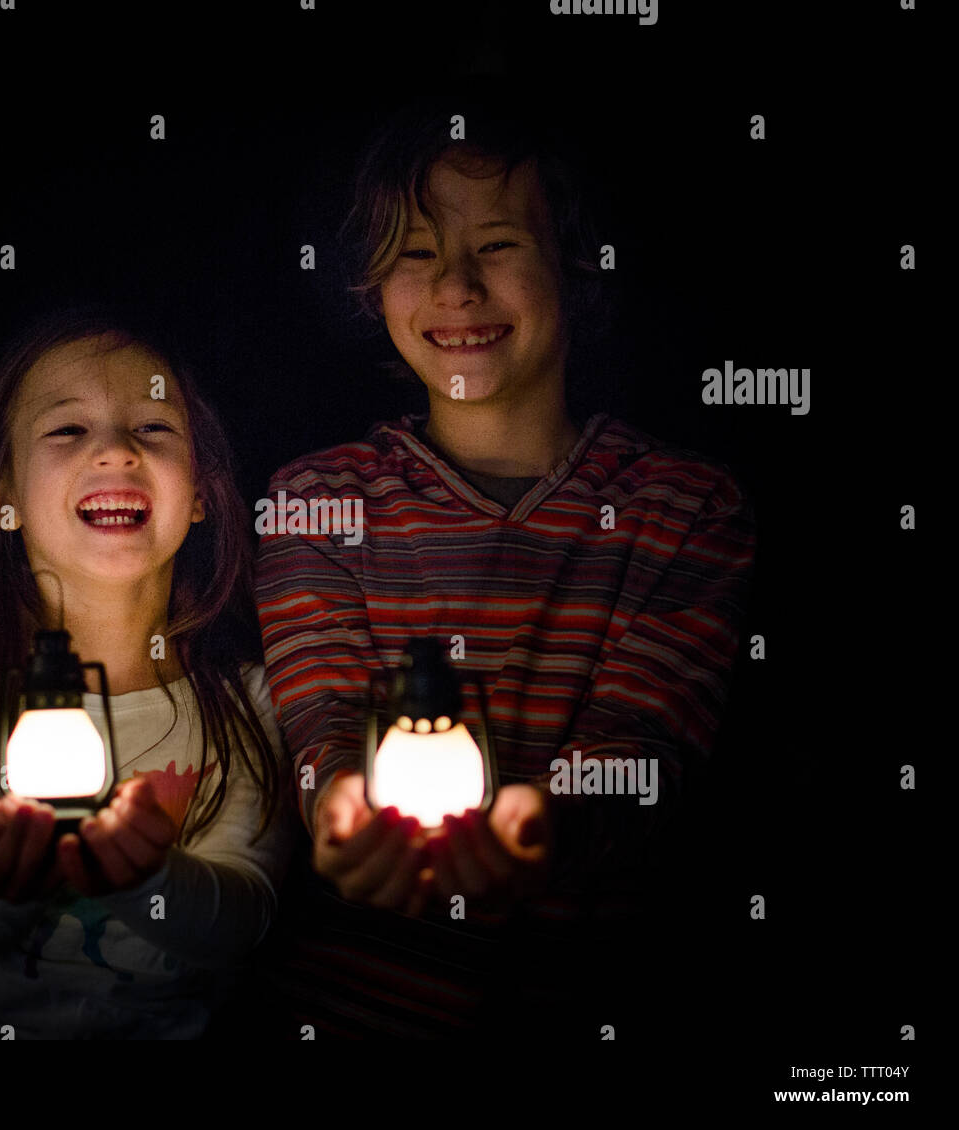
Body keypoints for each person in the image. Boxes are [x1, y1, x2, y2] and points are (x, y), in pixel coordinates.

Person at [253, 93, 757, 1037]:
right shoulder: (315, 503)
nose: (454, 287)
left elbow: (641, 755)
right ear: (370, 286)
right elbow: (321, 728)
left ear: (575, 265)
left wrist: (537, 831)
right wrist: (342, 816)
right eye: (414, 251)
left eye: (495, 245)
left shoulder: (683, 508)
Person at [0, 304, 294, 1039]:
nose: (116, 451)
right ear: (0, 495)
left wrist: (143, 875)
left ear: (200, 491)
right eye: (68, 429)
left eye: (153, 426)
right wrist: (3, 880)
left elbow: (248, 915)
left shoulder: (251, 699)